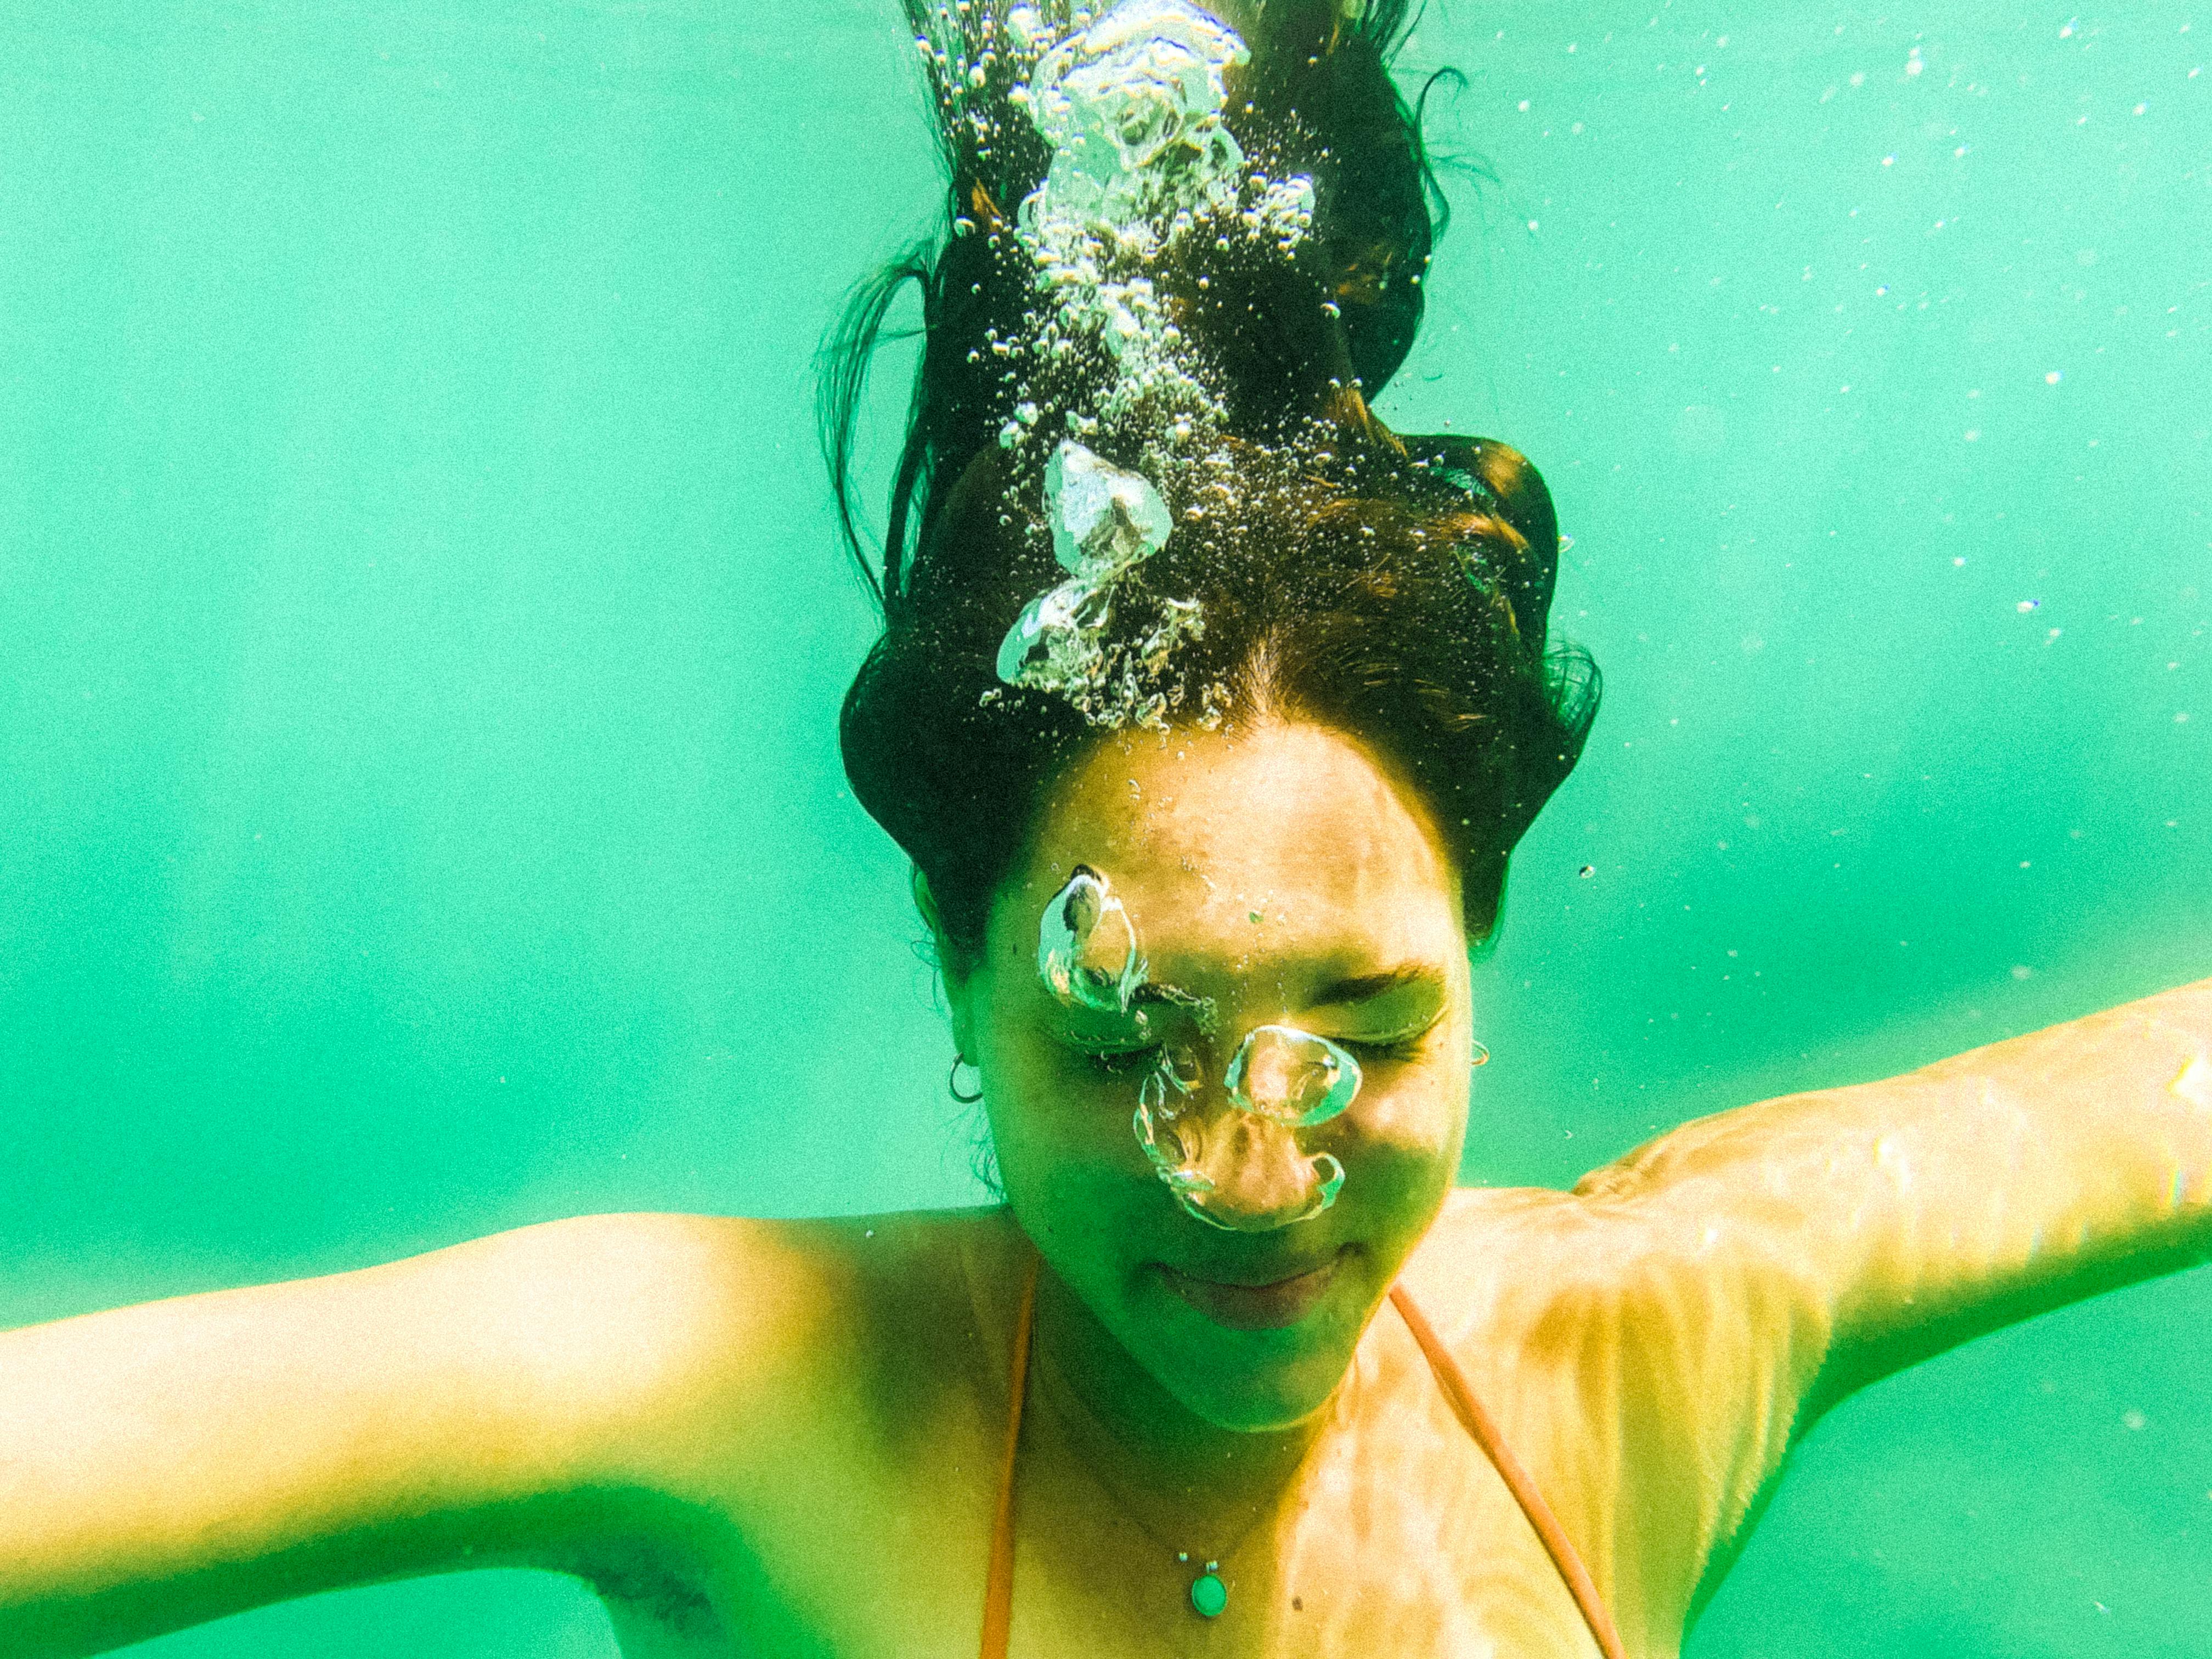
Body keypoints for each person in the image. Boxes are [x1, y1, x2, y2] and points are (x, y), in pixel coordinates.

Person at [4, 1, 2208, 1655]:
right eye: (1124, 1031)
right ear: (962, 979)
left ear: (1484, 948)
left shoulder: (1670, 1324)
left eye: (1365, 1024)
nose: (1254, 1174)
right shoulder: (756, 1395)